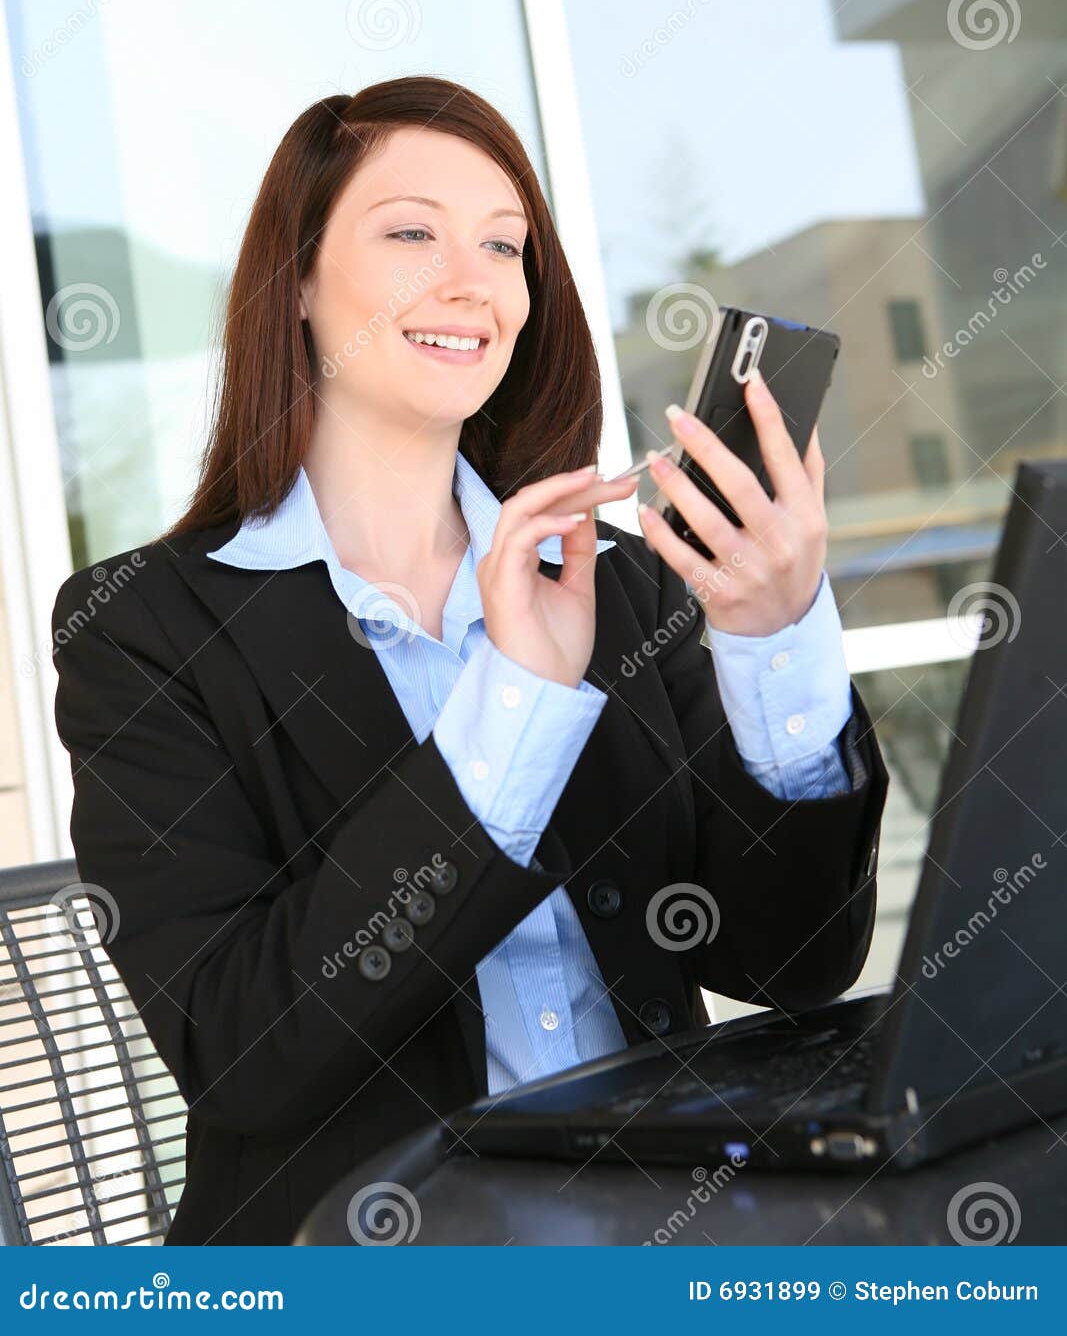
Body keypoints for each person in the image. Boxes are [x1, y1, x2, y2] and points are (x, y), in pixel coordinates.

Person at [51, 75, 888, 1246]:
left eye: (503, 245)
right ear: (297, 282)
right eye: (411, 234)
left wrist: (771, 637)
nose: (471, 281)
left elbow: (794, 961)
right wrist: (517, 701)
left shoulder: (620, 583)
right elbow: (243, 1052)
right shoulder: (145, 627)